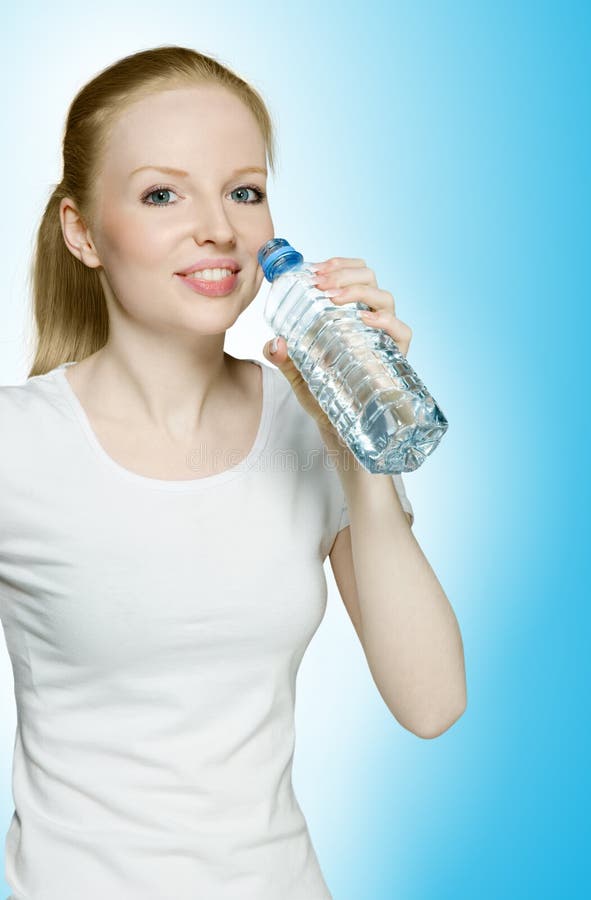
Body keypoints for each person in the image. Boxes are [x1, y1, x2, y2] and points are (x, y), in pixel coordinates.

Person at [0, 45, 466, 899]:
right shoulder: (15, 446)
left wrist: (360, 451)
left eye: (244, 191)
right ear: (81, 231)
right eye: (162, 193)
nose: (218, 226)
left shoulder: (305, 426)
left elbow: (431, 704)